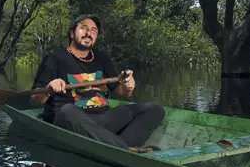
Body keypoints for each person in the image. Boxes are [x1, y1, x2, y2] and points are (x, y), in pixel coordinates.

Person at [30, 14, 165, 151]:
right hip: (73, 121)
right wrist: (48, 88)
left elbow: (122, 92)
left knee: (155, 109)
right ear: (72, 33)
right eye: (84, 28)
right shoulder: (55, 59)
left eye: (94, 30)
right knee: (67, 110)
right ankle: (124, 148)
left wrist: (128, 86)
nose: (89, 33)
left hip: (103, 119)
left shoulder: (102, 58)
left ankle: (120, 146)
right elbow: (34, 100)